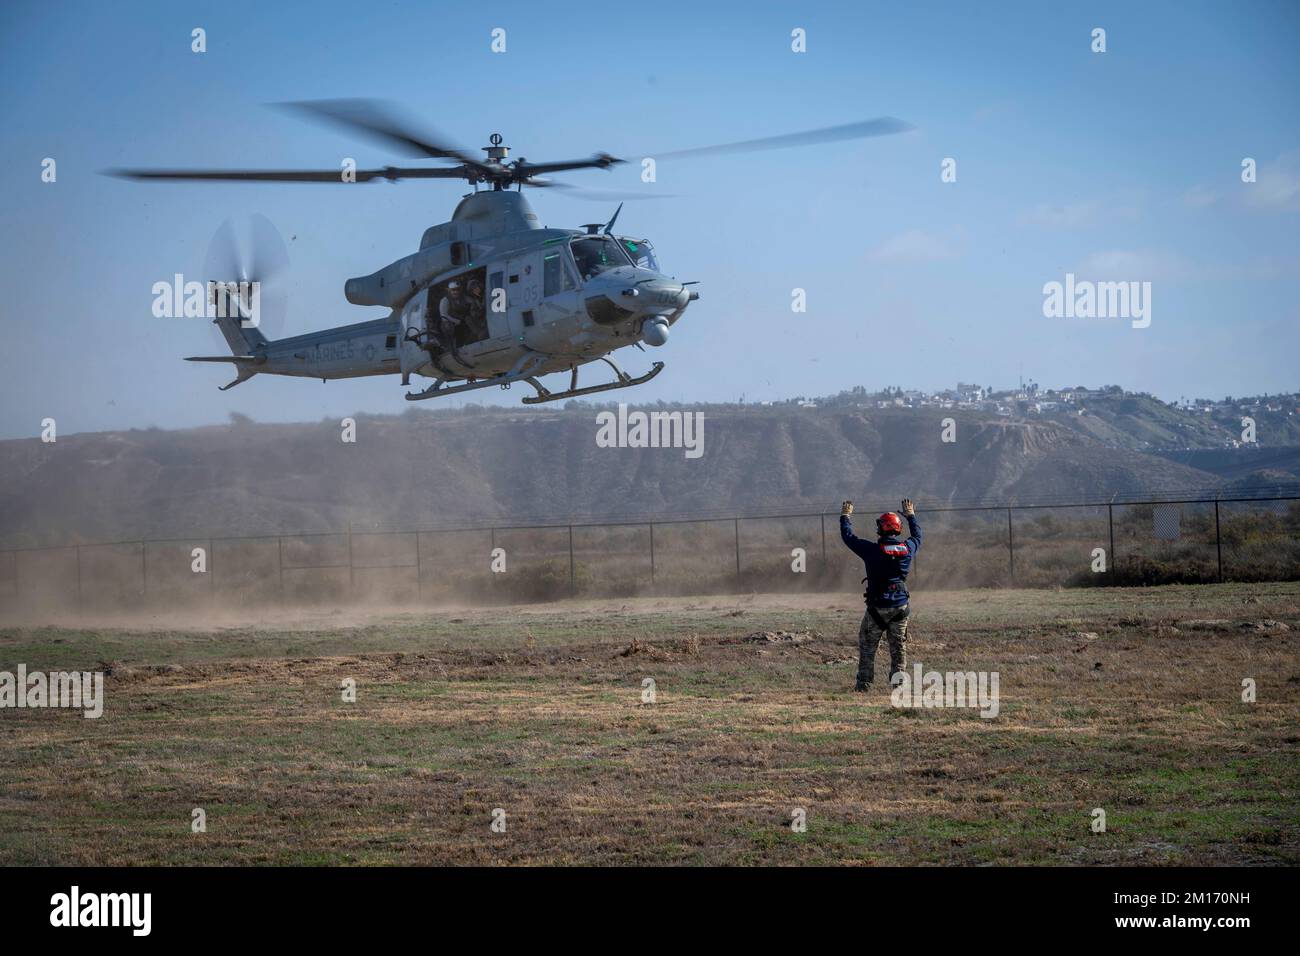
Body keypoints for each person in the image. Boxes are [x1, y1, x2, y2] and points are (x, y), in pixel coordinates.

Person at [840, 498, 921, 693]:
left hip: (877, 607)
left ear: (882, 529)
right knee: (899, 648)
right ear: (897, 529)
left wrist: (845, 517)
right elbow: (918, 536)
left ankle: (864, 685)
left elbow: (848, 537)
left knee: (868, 647)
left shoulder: (871, 550)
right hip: (900, 608)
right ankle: (899, 685)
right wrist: (911, 516)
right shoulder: (907, 549)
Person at [436, 281, 474, 368]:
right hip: (449, 323)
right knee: (450, 328)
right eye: (453, 290)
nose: (456, 292)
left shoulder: (463, 298)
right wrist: (457, 321)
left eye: (457, 289)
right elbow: (444, 315)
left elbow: (472, 302)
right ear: (450, 291)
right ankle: (452, 348)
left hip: (462, 321)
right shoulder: (445, 300)